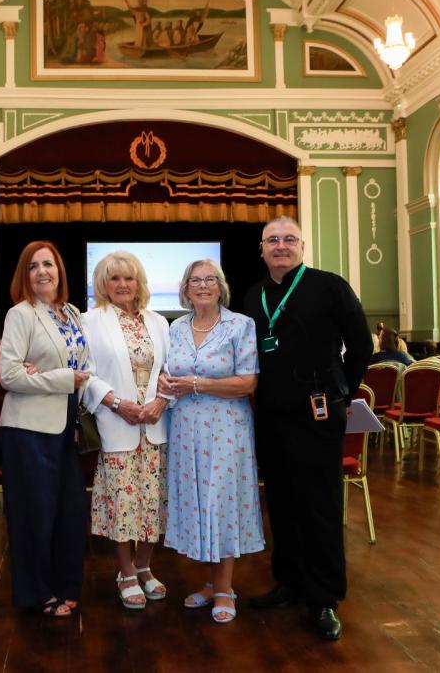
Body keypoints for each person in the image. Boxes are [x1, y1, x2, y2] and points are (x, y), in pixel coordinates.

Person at [242, 216, 372, 642]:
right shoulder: (254, 295)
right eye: (272, 240)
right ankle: (291, 581)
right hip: (272, 417)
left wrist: (341, 391)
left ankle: (324, 598)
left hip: (317, 415)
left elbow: (361, 344)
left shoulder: (329, 285)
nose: (280, 246)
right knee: (281, 503)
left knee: (320, 506)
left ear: (302, 246)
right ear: (261, 249)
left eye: (289, 239)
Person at [159, 259, 262, 624]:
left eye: (210, 279)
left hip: (227, 428)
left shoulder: (241, 325)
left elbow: (247, 383)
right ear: (186, 289)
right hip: (185, 428)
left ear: (221, 287)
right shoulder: (175, 328)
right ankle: (209, 582)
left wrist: (196, 385)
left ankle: (224, 588)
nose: (203, 285)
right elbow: (168, 376)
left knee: (222, 502)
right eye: (195, 280)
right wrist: (166, 386)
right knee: (199, 502)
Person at [0, 241, 93, 617]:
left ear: (59, 270)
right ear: (25, 274)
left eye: (48, 264)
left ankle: (66, 584)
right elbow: (9, 375)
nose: (42, 272)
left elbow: (85, 365)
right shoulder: (20, 314)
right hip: (28, 430)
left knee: (68, 512)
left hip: (66, 426)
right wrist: (64, 378)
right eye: (33, 266)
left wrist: (70, 379)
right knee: (34, 515)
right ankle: (36, 592)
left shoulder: (71, 312)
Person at [81, 252, 172, 610]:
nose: (122, 285)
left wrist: (160, 402)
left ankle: (145, 566)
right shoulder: (89, 321)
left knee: (152, 503)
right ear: (103, 285)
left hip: (155, 426)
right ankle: (125, 572)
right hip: (116, 424)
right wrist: (118, 404)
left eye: (128, 278)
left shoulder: (159, 322)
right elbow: (85, 373)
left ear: (139, 284)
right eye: (114, 279)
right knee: (122, 504)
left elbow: (170, 370)